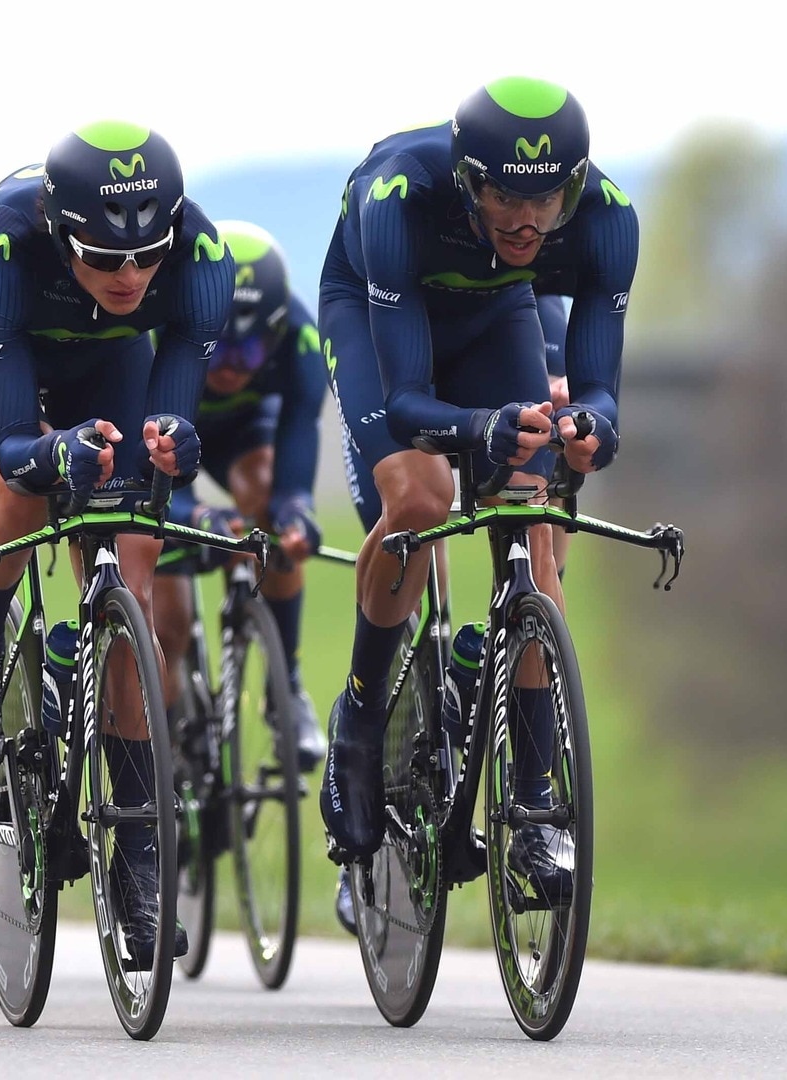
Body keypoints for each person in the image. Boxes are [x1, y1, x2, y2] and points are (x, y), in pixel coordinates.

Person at [317, 76, 636, 911]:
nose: (528, 222)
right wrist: (477, 426)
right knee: (420, 500)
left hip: (495, 315)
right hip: (381, 320)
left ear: (574, 187)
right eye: (505, 199)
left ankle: (534, 804)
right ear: (468, 183)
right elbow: (409, 399)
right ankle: (359, 724)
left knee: (532, 513)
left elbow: (599, 391)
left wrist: (593, 427)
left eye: (548, 201)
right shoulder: (398, 197)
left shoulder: (607, 219)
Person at [0, 121, 234, 964]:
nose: (130, 275)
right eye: (103, 258)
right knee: (22, 494)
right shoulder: (1, 248)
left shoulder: (202, 261)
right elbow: (17, 447)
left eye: (147, 256)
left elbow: (172, 423)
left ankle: (136, 857)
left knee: (133, 568)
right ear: (61, 236)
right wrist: (54, 451)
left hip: (107, 355)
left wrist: (174, 445)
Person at [152, 220, 329, 770]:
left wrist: (295, 510)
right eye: (219, 346)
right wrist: (195, 514)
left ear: (275, 333)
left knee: (269, 501)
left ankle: (287, 689)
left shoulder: (299, 337)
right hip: (159, 432)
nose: (231, 365)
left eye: (250, 351)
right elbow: (142, 477)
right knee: (167, 624)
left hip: (243, 433)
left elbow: (299, 436)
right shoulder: (156, 329)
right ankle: (170, 736)